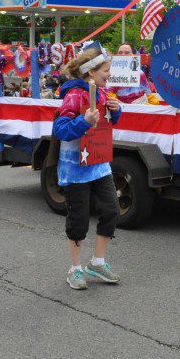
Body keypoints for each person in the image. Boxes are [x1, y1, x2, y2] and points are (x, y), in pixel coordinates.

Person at [52, 41, 122, 290]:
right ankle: (75, 268)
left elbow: (106, 124)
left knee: (111, 211)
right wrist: (83, 120)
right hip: (76, 169)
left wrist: (115, 110)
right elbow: (60, 130)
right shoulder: (73, 95)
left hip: (100, 164)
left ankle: (98, 262)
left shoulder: (102, 93)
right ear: (91, 72)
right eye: (105, 71)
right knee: (79, 220)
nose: (109, 74)